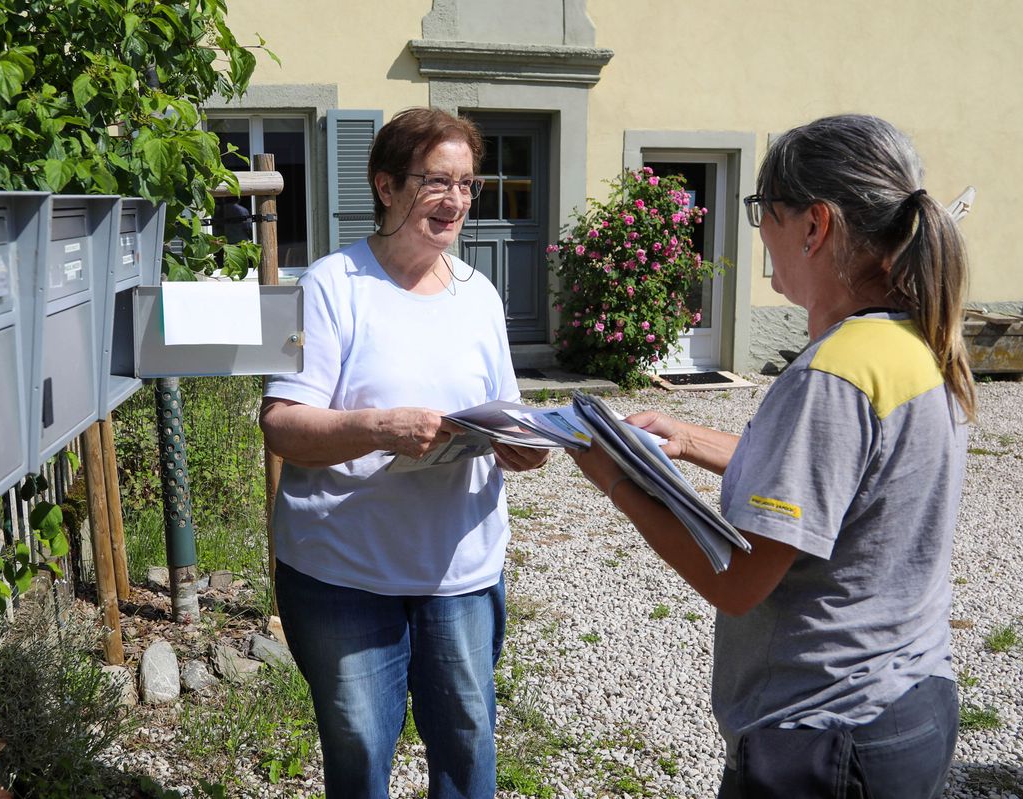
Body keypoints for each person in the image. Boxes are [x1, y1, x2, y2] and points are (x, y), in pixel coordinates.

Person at [571, 114, 975, 799]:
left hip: (823, 738)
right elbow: (837, 481)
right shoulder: (913, 340)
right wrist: (690, 438)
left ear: (814, 226)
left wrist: (613, 475)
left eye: (766, 210)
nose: (760, 231)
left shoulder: (835, 373)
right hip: (909, 702)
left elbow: (739, 580)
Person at [259, 107, 548, 798]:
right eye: (437, 181)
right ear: (386, 186)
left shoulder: (479, 295)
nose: (456, 200)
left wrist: (522, 444)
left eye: (467, 184)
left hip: (459, 571)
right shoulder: (330, 285)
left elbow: (506, 411)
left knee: (469, 744)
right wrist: (380, 427)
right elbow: (281, 423)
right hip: (344, 573)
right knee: (359, 754)